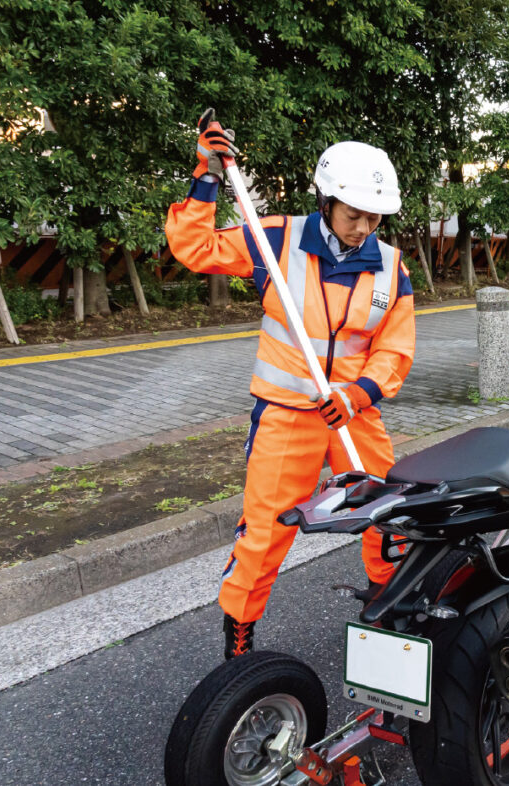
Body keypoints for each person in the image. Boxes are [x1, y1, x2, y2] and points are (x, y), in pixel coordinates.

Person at [165, 109, 415, 659]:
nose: (364, 227)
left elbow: (395, 350)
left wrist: (358, 394)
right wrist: (207, 175)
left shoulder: (392, 267)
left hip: (353, 414)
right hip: (285, 415)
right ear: (326, 201)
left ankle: (391, 612)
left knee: (387, 520)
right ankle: (240, 643)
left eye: (374, 217)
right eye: (353, 214)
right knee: (265, 532)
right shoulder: (274, 238)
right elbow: (194, 248)